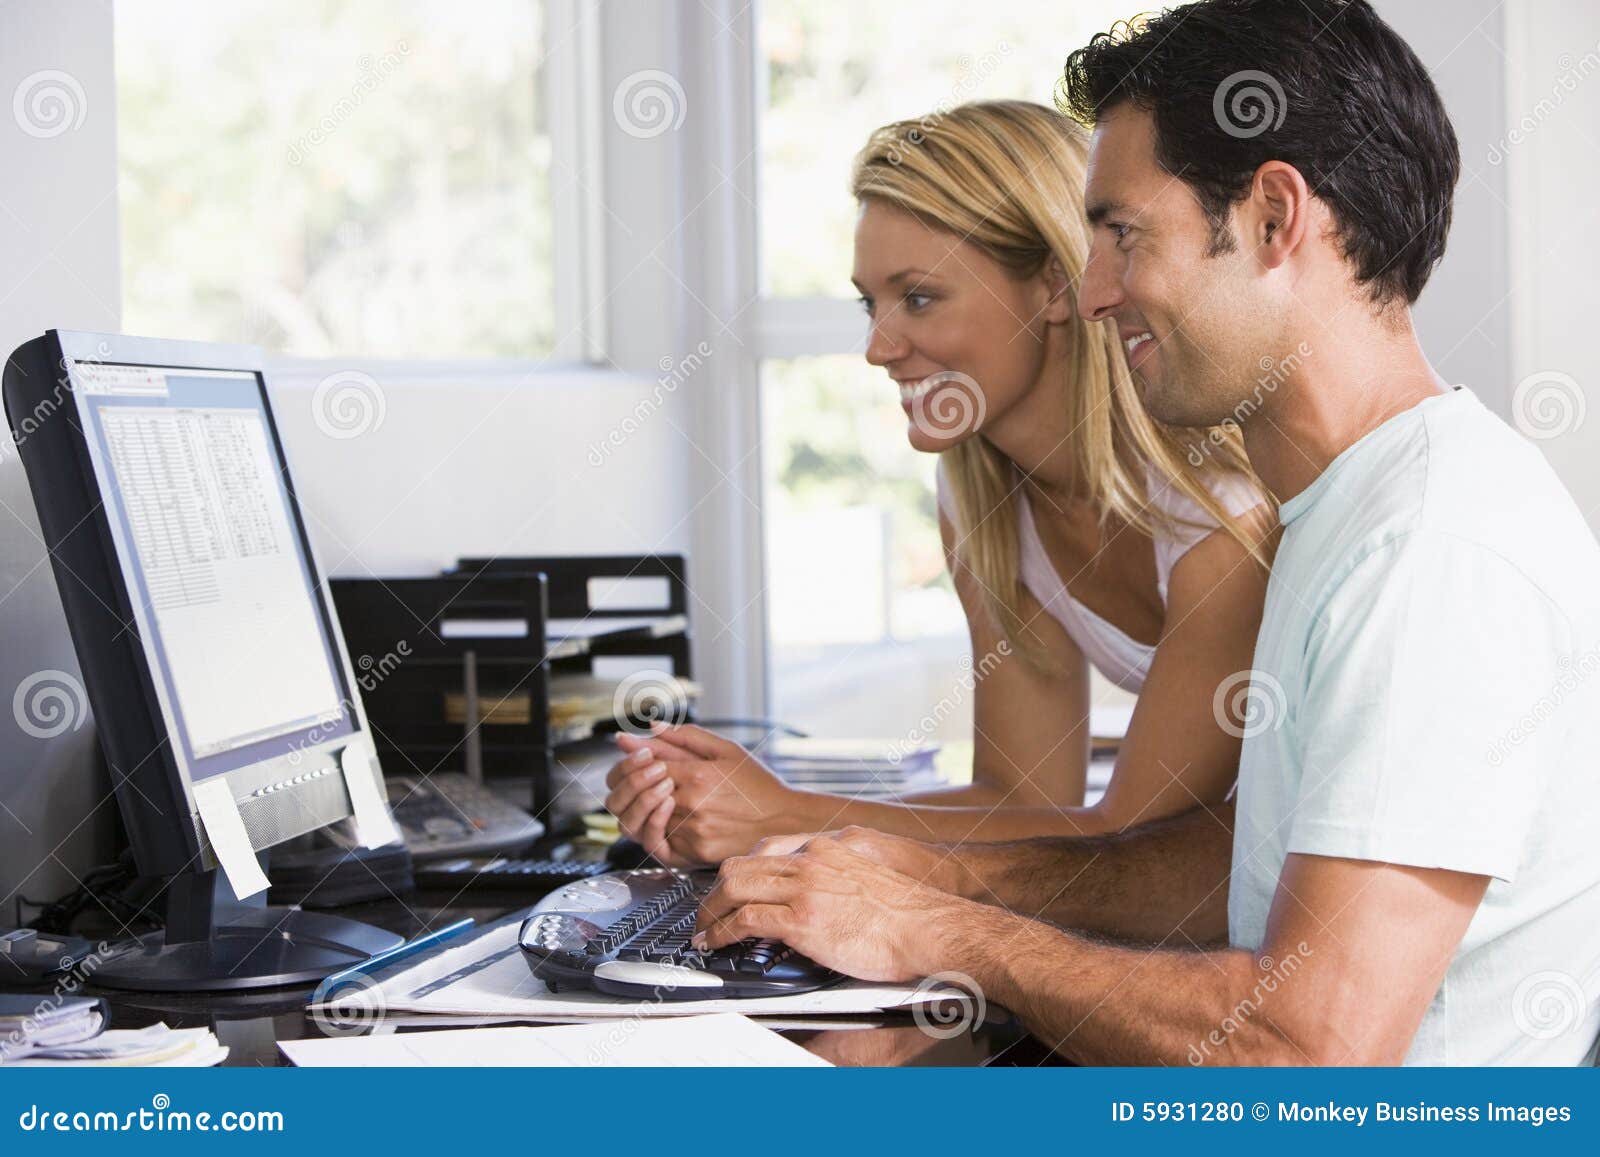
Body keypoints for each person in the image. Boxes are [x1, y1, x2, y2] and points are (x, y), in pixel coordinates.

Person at [690, 0, 1600, 1066]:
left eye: (1121, 234)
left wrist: (939, 933)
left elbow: (1308, 1051)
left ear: (1272, 218)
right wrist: (919, 881)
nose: (1091, 290)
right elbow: (1233, 864)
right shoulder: (1344, 505)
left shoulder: (1430, 547)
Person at [606, 99, 1275, 867]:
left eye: (918, 297)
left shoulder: (1215, 509)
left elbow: (1126, 839)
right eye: (870, 303)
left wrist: (782, 816)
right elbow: (1021, 800)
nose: (879, 347)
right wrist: (718, 805)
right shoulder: (985, 501)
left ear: (1058, 285)